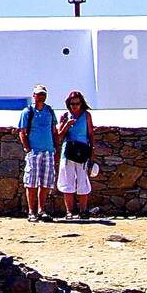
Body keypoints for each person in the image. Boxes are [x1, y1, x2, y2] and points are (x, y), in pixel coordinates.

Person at [18, 86, 58, 223]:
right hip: (34, 151)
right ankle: (31, 211)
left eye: (43, 94)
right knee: (31, 182)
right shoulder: (27, 111)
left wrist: (55, 147)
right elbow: (22, 131)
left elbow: (54, 131)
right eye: (39, 94)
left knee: (46, 182)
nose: (41, 97)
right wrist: (28, 149)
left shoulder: (50, 111)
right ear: (34, 95)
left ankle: (41, 210)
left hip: (48, 150)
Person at [56, 91, 95, 220]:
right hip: (68, 152)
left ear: (81, 103)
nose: (75, 106)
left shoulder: (86, 116)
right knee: (68, 181)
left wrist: (91, 154)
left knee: (82, 180)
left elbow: (90, 135)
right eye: (72, 104)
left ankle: (83, 210)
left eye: (77, 103)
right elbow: (59, 136)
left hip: (82, 151)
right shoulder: (65, 116)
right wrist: (66, 125)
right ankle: (69, 211)